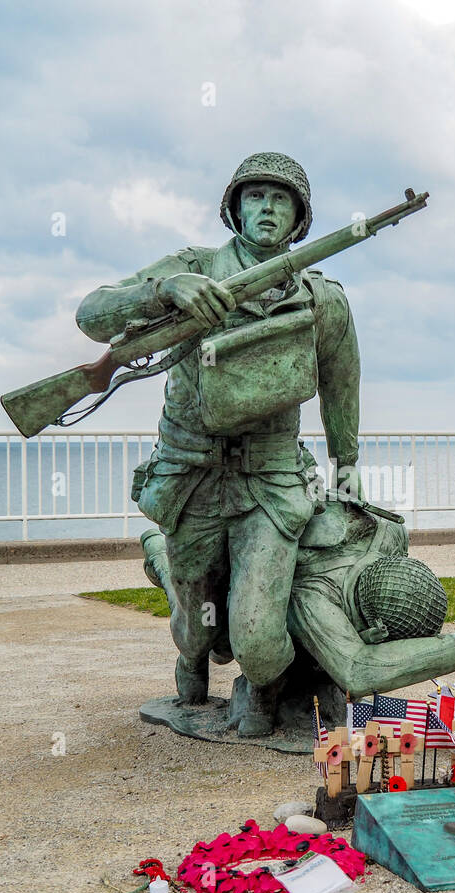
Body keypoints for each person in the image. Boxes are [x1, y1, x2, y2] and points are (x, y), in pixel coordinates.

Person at [76, 152, 362, 737]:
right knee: (197, 630)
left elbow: (341, 384)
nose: (267, 208)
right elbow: (93, 314)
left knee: (257, 639)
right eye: (255, 196)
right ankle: (182, 627)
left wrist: (347, 464)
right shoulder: (194, 267)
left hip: (271, 480)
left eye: (281, 199)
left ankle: (263, 687)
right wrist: (166, 291)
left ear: (299, 218)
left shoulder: (322, 299)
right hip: (191, 476)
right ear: (235, 208)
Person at [141, 499, 455, 704]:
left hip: (267, 555)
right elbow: (357, 669)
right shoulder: (316, 596)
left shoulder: (388, 534)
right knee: (212, 638)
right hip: (235, 581)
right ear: (375, 628)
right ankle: (160, 556)